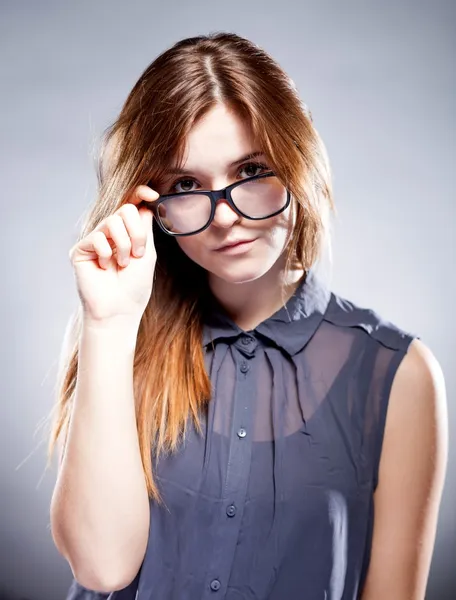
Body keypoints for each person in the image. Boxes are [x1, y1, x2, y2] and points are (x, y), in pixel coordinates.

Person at [47, 32, 448, 600]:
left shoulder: (397, 375)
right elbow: (101, 568)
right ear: (151, 204)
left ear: (297, 160)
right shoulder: (117, 333)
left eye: (251, 170)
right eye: (187, 185)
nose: (225, 216)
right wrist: (108, 327)